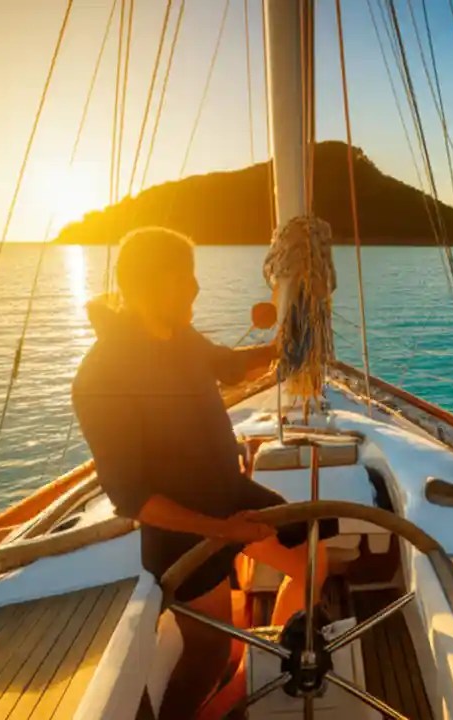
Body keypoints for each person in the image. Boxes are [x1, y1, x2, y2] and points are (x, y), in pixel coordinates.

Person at [72, 227, 327, 719]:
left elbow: (228, 366)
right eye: (182, 277)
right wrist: (222, 530)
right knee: (207, 655)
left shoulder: (178, 337)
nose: (194, 287)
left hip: (231, 496)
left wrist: (281, 347)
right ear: (147, 286)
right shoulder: (101, 377)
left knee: (313, 559)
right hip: (182, 533)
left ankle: (264, 669)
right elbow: (132, 498)